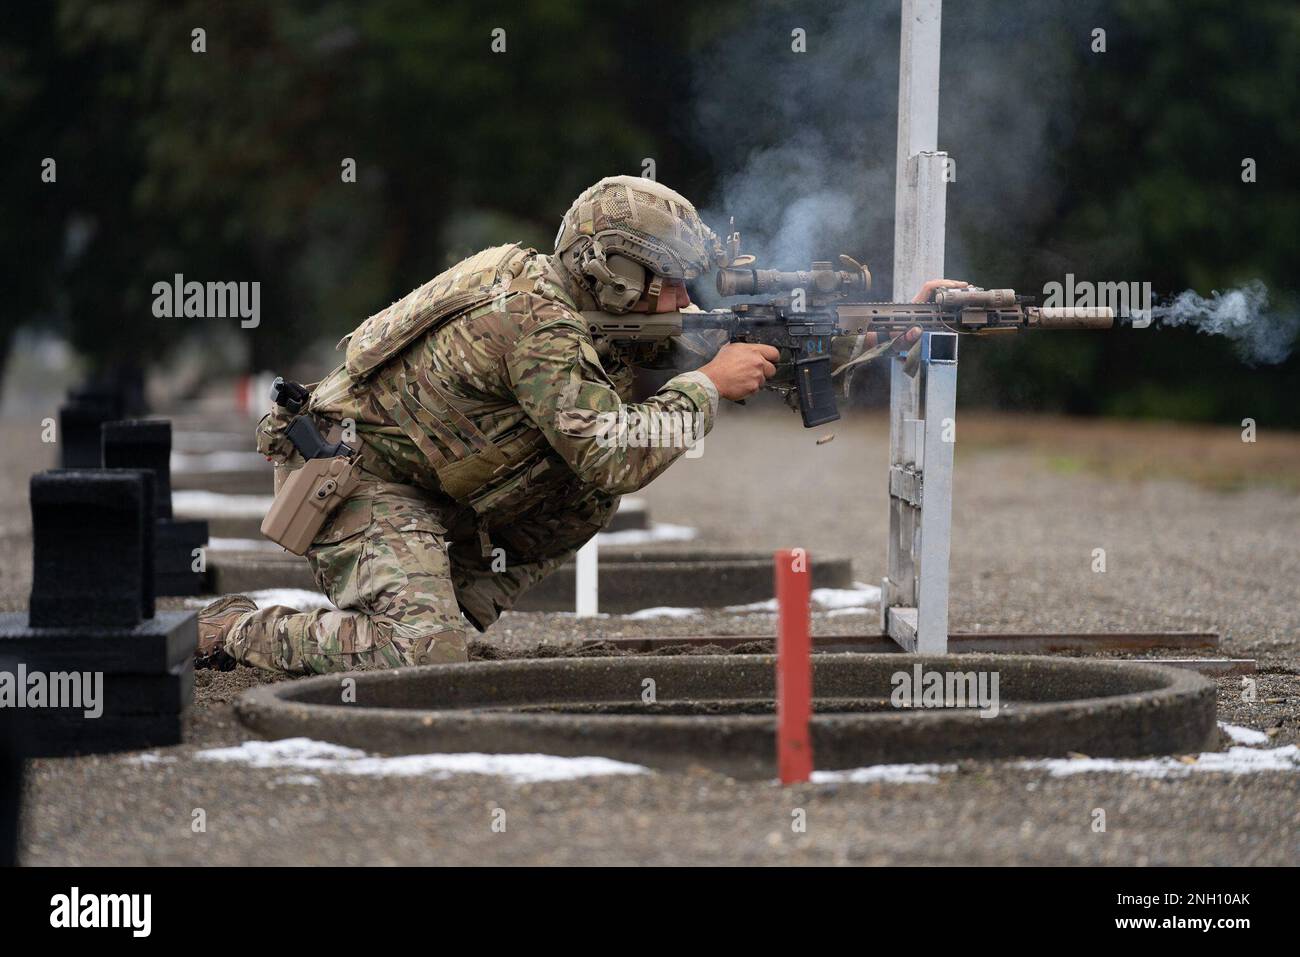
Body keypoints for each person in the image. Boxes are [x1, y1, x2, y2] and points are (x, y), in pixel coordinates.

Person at [196, 175, 951, 674]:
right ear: (617, 276)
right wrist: (706, 388)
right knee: (421, 660)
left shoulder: (598, 308)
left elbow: (752, 335)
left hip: (437, 480)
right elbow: (612, 455)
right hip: (357, 476)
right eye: (672, 281)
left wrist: (896, 322)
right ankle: (238, 629)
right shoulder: (536, 322)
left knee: (571, 504)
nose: (686, 297)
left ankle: (440, 604)